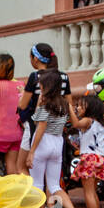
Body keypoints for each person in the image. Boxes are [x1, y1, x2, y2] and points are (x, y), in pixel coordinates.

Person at [26, 67, 83, 208]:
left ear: (46, 86)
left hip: (42, 143)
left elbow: (40, 126)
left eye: (41, 85)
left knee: (37, 185)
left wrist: (31, 152)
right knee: (54, 185)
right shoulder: (64, 104)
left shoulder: (45, 104)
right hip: (57, 143)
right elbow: (74, 123)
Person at [17, 43, 69, 178]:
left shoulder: (35, 77)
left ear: (35, 59)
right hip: (56, 129)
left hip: (36, 126)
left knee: (22, 166)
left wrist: (22, 93)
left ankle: (35, 198)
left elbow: (23, 105)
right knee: (51, 179)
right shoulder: (63, 76)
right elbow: (69, 102)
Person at [69, 94, 104, 208]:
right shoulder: (101, 125)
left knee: (88, 192)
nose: (78, 108)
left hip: (89, 158)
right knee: (93, 192)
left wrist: (69, 109)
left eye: (80, 105)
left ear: (89, 108)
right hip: (102, 158)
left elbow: (75, 124)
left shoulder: (87, 121)